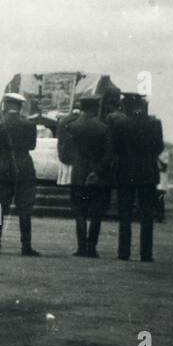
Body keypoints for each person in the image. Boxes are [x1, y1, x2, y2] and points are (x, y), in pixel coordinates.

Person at [112, 92, 164, 262]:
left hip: (125, 171)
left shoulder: (120, 124)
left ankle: (123, 252)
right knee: (146, 213)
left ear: (126, 105)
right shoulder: (155, 123)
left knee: (125, 213)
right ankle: (146, 254)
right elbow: (159, 147)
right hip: (148, 172)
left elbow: (116, 148)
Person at [59, 92, 112, 257]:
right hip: (98, 176)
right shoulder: (104, 128)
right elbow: (108, 155)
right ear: (96, 108)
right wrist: (97, 171)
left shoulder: (72, 127)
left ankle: (81, 246)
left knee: (79, 211)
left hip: (78, 174)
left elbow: (65, 154)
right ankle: (92, 247)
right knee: (96, 213)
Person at [0, 92, 40, 256]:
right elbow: (32, 146)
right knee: (25, 209)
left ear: (5, 105)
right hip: (23, 168)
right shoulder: (28, 124)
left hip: (0, 168)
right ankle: (26, 245)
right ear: (20, 106)